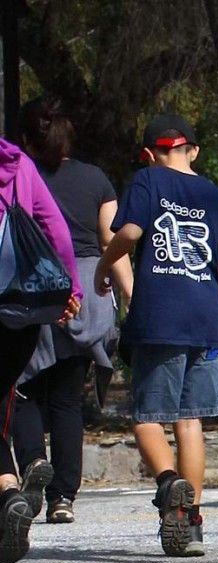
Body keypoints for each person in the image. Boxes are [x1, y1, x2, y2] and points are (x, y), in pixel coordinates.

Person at [94, 113, 218, 558]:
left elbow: (129, 232)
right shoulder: (213, 194)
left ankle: (168, 486)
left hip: (160, 316)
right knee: (190, 420)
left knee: (147, 417)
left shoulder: (147, 179)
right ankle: (191, 522)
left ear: (148, 154)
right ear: (194, 151)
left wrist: (106, 266)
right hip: (208, 319)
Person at [11, 96, 133, 525]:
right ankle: (64, 496)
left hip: (32, 287)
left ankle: (29, 465)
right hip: (87, 289)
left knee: (20, 388)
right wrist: (129, 294)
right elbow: (111, 241)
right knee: (67, 400)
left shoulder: (17, 175)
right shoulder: (95, 178)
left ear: (25, 137)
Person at [0, 135, 82, 563]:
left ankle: (8, 491)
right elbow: (54, 227)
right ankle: (11, 489)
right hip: (20, 306)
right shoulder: (18, 165)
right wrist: (70, 286)